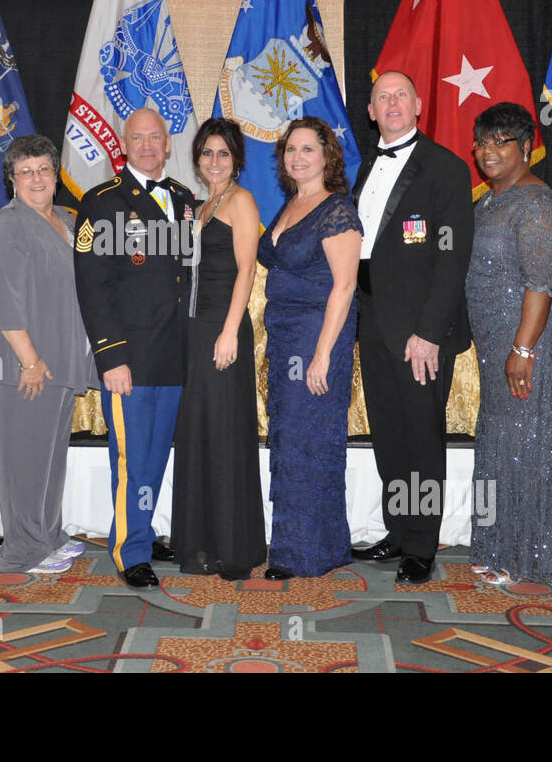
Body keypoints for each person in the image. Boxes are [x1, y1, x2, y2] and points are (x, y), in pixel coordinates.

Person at [350, 70, 473, 585]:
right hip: (372, 321)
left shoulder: (444, 168)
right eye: (383, 97)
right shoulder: (364, 167)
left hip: (421, 331)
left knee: (421, 439)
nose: (393, 103)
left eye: (401, 94)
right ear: (372, 110)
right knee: (390, 436)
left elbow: (451, 261)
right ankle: (400, 531)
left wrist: (427, 332)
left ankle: (421, 545)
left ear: (418, 105)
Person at [73, 107, 196, 589]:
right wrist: (110, 356)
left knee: (157, 456)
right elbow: (93, 285)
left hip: (173, 355)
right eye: (137, 138)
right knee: (131, 459)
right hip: (130, 357)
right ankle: (130, 550)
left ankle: (139, 532)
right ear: (123, 145)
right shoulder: (101, 202)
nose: (147, 145)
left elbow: (183, 278)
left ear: (168, 144)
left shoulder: (184, 199)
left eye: (155, 137)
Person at [465, 103, 552, 586]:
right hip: (498, 343)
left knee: (527, 443)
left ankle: (530, 557)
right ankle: (498, 546)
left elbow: (541, 285)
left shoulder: (537, 204)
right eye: (482, 142)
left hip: (525, 344)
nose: (488, 151)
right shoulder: (492, 200)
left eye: (500, 142)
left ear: (527, 148)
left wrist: (524, 349)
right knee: (501, 442)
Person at [0, 135, 96, 574]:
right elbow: (2, 302)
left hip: (56, 357)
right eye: (26, 172)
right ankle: (23, 552)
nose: (36, 178)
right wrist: (30, 361)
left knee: (47, 458)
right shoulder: (6, 226)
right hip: (18, 363)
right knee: (21, 460)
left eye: (43, 169)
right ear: (12, 180)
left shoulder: (66, 219)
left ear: (55, 176)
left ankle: (47, 535)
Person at [257, 117, 362, 581]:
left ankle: (303, 554)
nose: (298, 157)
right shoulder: (290, 205)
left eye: (308, 149)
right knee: (289, 440)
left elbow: (345, 287)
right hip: (282, 337)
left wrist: (323, 354)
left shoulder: (337, 209)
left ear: (327, 156)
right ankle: (313, 545)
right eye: (291, 149)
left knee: (308, 442)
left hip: (317, 337)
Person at [170, 118, 265, 581]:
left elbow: (246, 270)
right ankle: (202, 541)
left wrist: (228, 332)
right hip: (194, 330)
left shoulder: (241, 201)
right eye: (207, 153)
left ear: (237, 160)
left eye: (223, 154)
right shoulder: (203, 204)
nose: (214, 161)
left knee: (225, 434)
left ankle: (233, 547)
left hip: (221, 330)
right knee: (199, 434)